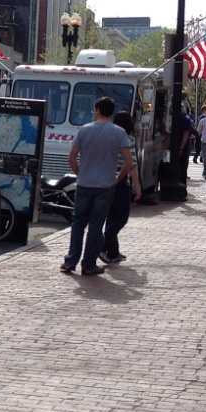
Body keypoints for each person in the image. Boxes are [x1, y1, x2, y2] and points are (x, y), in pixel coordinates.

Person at [61, 96, 134, 277]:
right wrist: (118, 178)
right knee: (96, 226)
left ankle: (70, 261)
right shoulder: (118, 133)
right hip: (105, 185)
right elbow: (128, 160)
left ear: (98, 110)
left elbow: (71, 157)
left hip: (84, 184)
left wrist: (80, 173)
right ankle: (89, 264)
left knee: (78, 223)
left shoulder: (84, 130)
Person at [100, 111, 142, 264]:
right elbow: (132, 164)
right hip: (121, 180)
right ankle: (103, 245)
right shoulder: (127, 139)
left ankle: (113, 252)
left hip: (105, 179)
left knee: (111, 216)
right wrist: (137, 186)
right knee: (122, 218)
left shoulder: (107, 137)